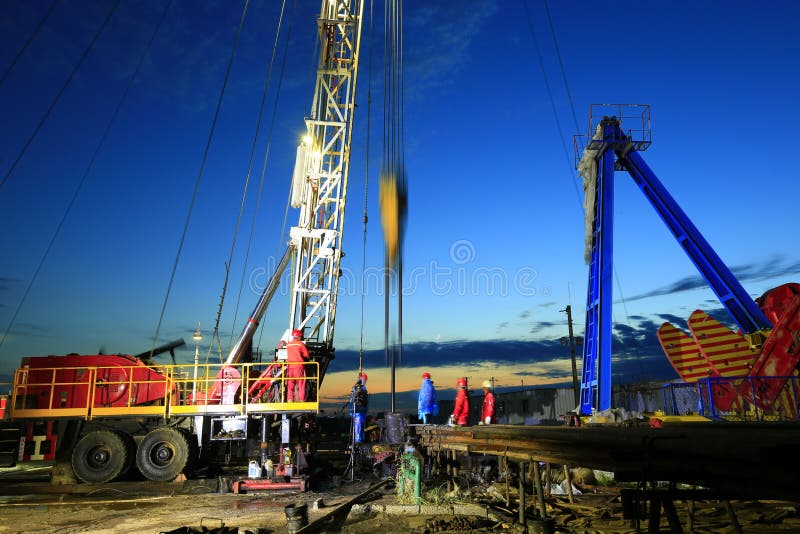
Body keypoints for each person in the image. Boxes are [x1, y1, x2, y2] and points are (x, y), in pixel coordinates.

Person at [285, 329, 310, 402]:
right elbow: (306, 355)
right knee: (301, 384)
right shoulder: (300, 344)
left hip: (290, 367)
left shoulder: (288, 344)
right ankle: (301, 400)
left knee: (290, 385)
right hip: (299, 367)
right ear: (299, 336)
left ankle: (289, 400)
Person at [350, 372, 369, 443]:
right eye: (364, 379)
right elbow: (356, 400)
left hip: (362, 411)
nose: (365, 381)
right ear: (361, 379)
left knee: (361, 427)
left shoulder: (363, 388)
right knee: (358, 427)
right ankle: (358, 441)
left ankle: (361, 439)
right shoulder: (357, 388)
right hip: (358, 411)